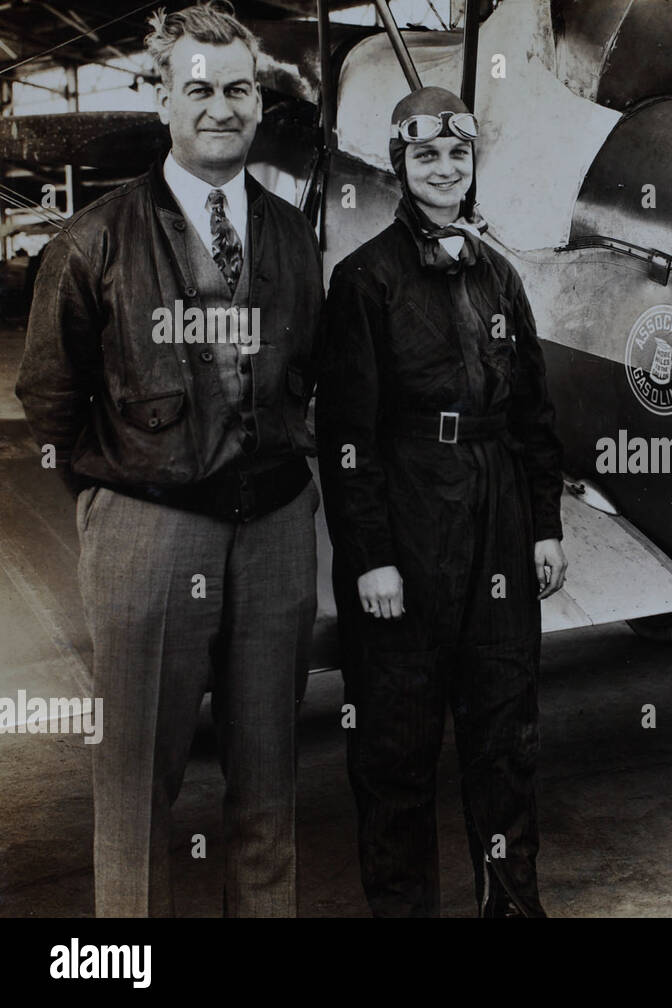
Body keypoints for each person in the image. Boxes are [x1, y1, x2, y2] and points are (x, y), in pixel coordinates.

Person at [16, 0, 323, 917]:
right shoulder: (94, 239)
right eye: (199, 89)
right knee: (136, 782)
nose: (220, 107)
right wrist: (118, 501)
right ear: (164, 99)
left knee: (268, 779)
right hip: (149, 534)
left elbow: (306, 371)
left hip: (272, 530)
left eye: (238, 89)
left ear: (259, 105)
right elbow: (51, 397)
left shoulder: (290, 236)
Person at [316, 86, 566, 918]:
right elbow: (346, 435)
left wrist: (544, 529)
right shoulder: (364, 281)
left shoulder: (498, 275)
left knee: (506, 732)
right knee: (396, 742)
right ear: (401, 165)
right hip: (411, 512)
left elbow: (534, 414)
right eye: (426, 155)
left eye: (458, 154)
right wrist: (373, 557)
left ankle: (513, 905)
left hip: (495, 510)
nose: (445, 167)